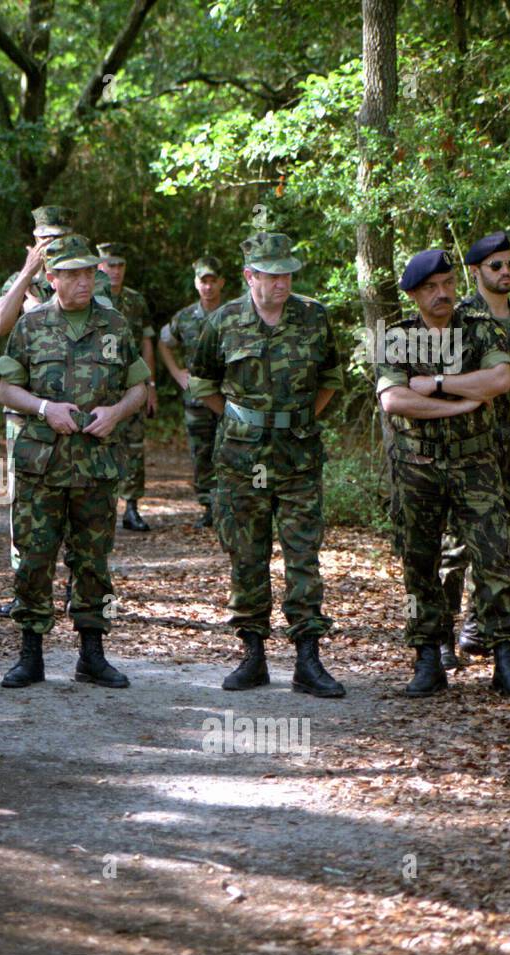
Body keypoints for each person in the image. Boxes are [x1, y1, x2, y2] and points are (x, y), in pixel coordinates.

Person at [189, 232, 345, 698]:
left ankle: (307, 659)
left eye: (288, 275)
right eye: (273, 275)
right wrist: (242, 420)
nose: (282, 283)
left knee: (303, 555)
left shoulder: (314, 316)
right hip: (242, 459)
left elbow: (331, 378)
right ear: (249, 276)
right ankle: (252, 654)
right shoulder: (223, 320)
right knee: (246, 554)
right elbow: (202, 383)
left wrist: (298, 420)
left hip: (298, 456)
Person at [0, 235, 150, 688]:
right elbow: (6, 389)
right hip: (42, 463)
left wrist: (116, 412)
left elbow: (139, 387)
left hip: (96, 465)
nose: (84, 281)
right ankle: (30, 655)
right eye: (73, 274)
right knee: (34, 558)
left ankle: (92, 655)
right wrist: (44, 408)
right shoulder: (31, 325)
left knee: (93, 561)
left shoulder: (115, 324)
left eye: (89, 273)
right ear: (52, 277)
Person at [376, 248, 510, 698]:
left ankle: (505, 657)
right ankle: (428, 656)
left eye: (447, 284)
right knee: (420, 563)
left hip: (476, 461)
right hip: (417, 466)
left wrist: (440, 386)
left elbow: (500, 380)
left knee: (494, 557)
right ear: (413, 294)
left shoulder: (479, 329)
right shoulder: (398, 337)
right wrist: (464, 404)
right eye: (431, 287)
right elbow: (394, 400)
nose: (442, 293)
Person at [0, 206, 110, 617]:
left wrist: (42, 307)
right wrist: (26, 276)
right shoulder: (19, 280)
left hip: (79, 414)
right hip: (27, 416)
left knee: (83, 503)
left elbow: (101, 323)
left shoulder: (91, 280)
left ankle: (80, 588)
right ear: (33, 243)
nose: (50, 247)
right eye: (44, 241)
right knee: (25, 503)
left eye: (58, 240)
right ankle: (26, 589)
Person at [437, 231, 510, 668]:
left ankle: (480, 627)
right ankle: (441, 634)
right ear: (476, 271)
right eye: (497, 265)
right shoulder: (458, 319)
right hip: (468, 436)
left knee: (503, 536)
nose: (506, 272)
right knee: (457, 542)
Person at [158, 256, 225, 528]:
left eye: (212, 281)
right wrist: (176, 373)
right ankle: (208, 505)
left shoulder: (234, 314)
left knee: (232, 450)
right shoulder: (185, 317)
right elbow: (164, 342)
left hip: (229, 397)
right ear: (196, 284)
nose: (208, 287)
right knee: (202, 452)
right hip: (197, 399)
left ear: (221, 282)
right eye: (203, 281)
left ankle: (229, 505)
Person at [96, 242, 157, 531]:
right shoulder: (91, 297)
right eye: (111, 265)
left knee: (133, 446)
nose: (116, 271)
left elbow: (146, 342)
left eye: (120, 265)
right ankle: (99, 507)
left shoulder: (135, 300)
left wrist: (150, 385)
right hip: (98, 387)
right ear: (100, 266)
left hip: (131, 385)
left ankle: (132, 507)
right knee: (98, 445)